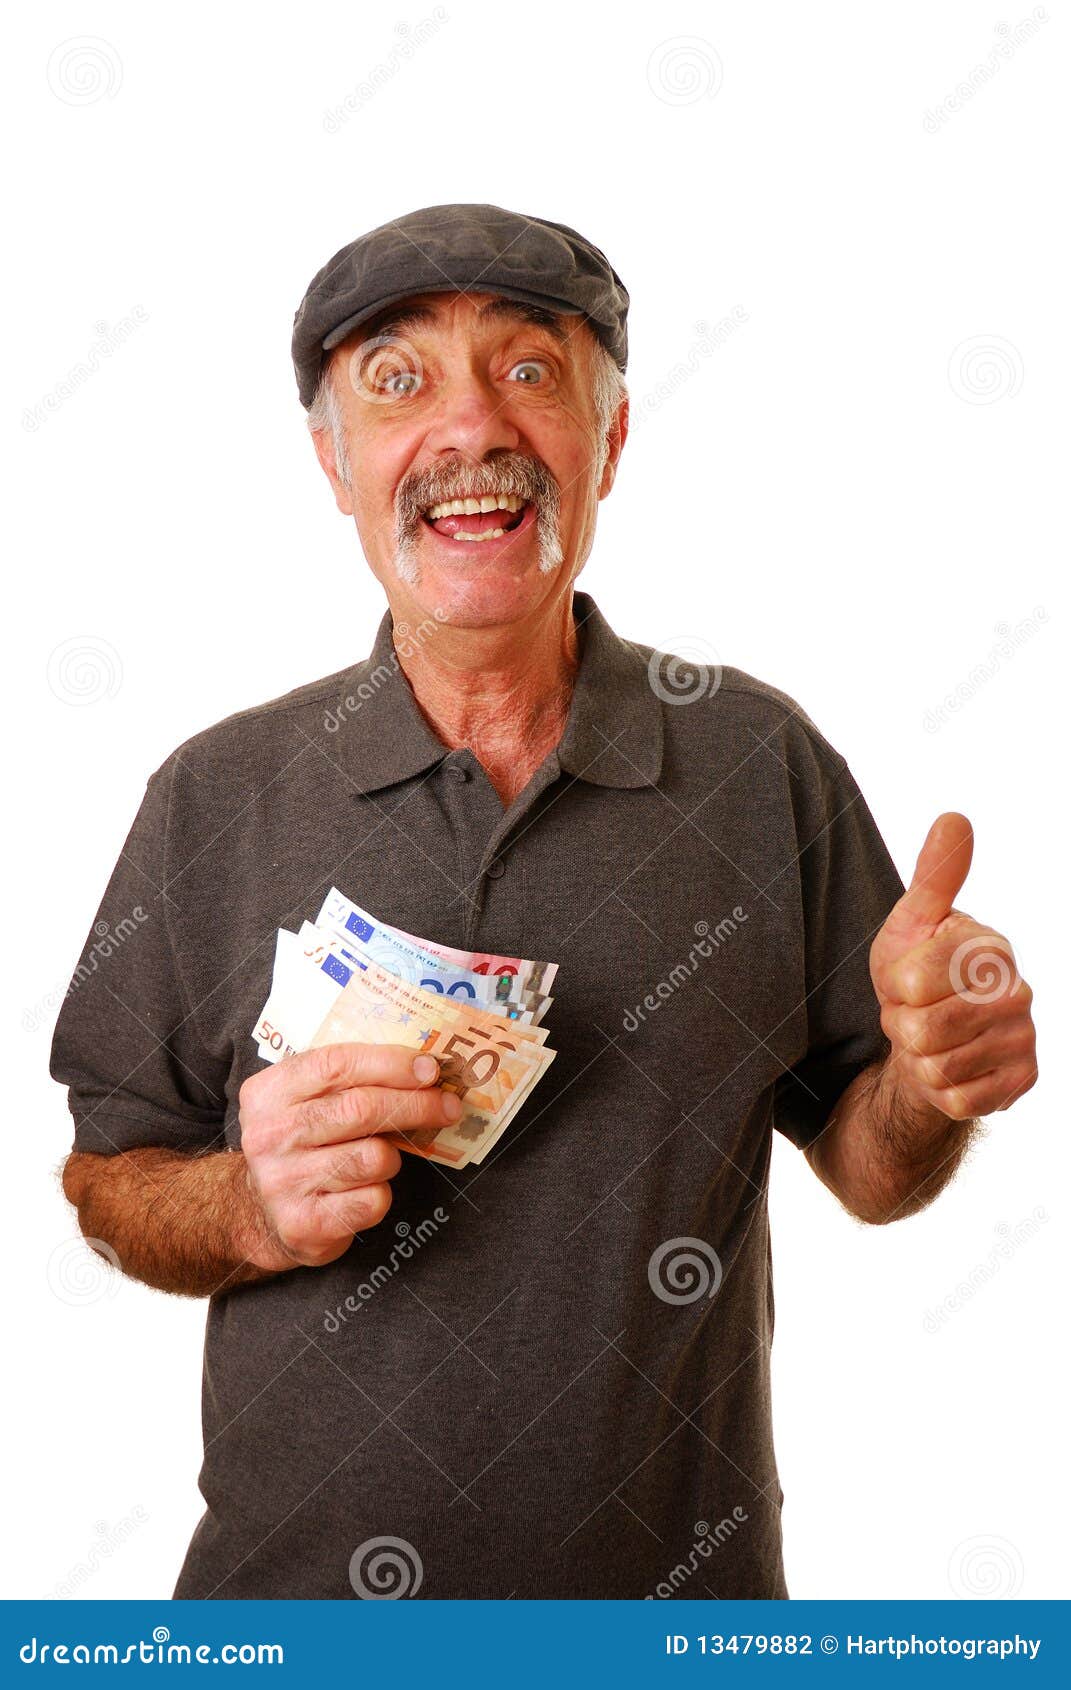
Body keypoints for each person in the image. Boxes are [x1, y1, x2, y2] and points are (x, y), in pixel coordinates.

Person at [51, 204, 1038, 1600]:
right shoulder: (214, 797)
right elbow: (105, 1185)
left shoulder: (761, 765)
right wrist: (247, 1209)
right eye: (397, 379)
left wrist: (933, 1083)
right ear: (334, 461)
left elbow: (873, 1166)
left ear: (610, 439)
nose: (471, 427)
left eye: (528, 369)